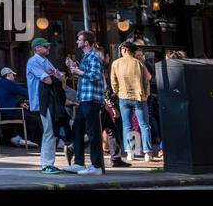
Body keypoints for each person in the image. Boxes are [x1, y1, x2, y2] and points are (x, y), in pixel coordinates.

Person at [65, 31, 105, 175]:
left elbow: (95, 75)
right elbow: (83, 72)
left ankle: (96, 166)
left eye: (79, 40)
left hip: (91, 98)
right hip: (84, 98)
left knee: (93, 132)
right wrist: (73, 67)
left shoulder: (94, 56)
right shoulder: (86, 57)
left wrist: (78, 71)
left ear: (86, 43)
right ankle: (79, 163)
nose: (77, 42)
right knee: (78, 128)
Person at [26, 38, 68, 173]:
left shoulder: (46, 61)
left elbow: (62, 77)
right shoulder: (33, 61)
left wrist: (56, 76)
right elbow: (49, 80)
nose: (48, 49)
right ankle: (47, 164)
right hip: (41, 102)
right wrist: (54, 76)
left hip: (50, 101)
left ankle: (48, 163)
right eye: (45, 46)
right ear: (37, 48)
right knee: (49, 131)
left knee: (51, 131)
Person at [111, 41, 155, 161]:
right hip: (139, 97)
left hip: (123, 97)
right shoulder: (138, 63)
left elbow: (113, 82)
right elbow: (149, 78)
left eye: (121, 49)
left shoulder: (116, 63)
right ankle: (148, 153)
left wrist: (116, 91)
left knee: (127, 125)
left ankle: (130, 152)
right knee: (144, 125)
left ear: (125, 50)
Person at [0, 66, 36, 147]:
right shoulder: (9, 83)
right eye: (13, 75)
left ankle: (16, 137)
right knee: (33, 119)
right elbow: (25, 92)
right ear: (8, 75)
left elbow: (7, 96)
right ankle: (24, 139)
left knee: (24, 114)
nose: (14, 77)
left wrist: (20, 102)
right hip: (9, 112)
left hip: (0, 112)